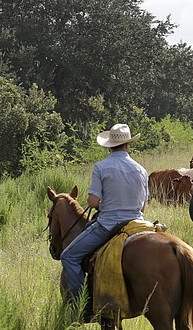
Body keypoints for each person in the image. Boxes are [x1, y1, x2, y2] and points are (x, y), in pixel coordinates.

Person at [60, 123, 149, 317]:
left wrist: (97, 202)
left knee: (69, 257)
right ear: (128, 145)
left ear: (110, 146)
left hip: (108, 225)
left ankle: (79, 307)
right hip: (137, 224)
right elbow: (143, 206)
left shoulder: (101, 167)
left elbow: (93, 202)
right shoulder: (141, 170)